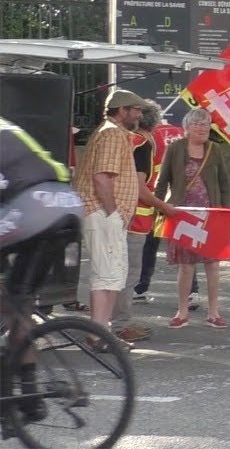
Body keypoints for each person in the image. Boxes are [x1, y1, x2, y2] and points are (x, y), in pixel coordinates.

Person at [0, 115, 90, 415]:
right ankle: (28, 398)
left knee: (13, 302)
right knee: (18, 304)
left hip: (32, 208)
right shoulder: (6, 125)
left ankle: (20, 394)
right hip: (66, 205)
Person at [71, 90, 149, 346]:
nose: (139, 114)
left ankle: (101, 333)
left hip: (103, 214)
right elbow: (102, 177)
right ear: (121, 110)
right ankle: (97, 334)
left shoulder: (111, 133)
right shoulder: (112, 134)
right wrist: (113, 212)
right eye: (135, 109)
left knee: (111, 276)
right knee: (107, 276)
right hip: (103, 214)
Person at [154, 108, 230, 329]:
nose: (203, 128)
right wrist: (158, 209)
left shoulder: (214, 150)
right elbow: (162, 182)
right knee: (186, 265)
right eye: (198, 124)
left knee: (212, 264)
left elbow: (224, 182)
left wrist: (226, 212)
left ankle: (214, 312)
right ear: (187, 127)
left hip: (211, 215)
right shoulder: (175, 148)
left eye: (206, 124)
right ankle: (182, 311)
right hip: (183, 216)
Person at [129, 102, 188, 307]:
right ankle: (192, 292)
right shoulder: (178, 135)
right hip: (169, 198)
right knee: (180, 245)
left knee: (148, 248)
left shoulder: (139, 141)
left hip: (150, 201)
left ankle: (140, 288)